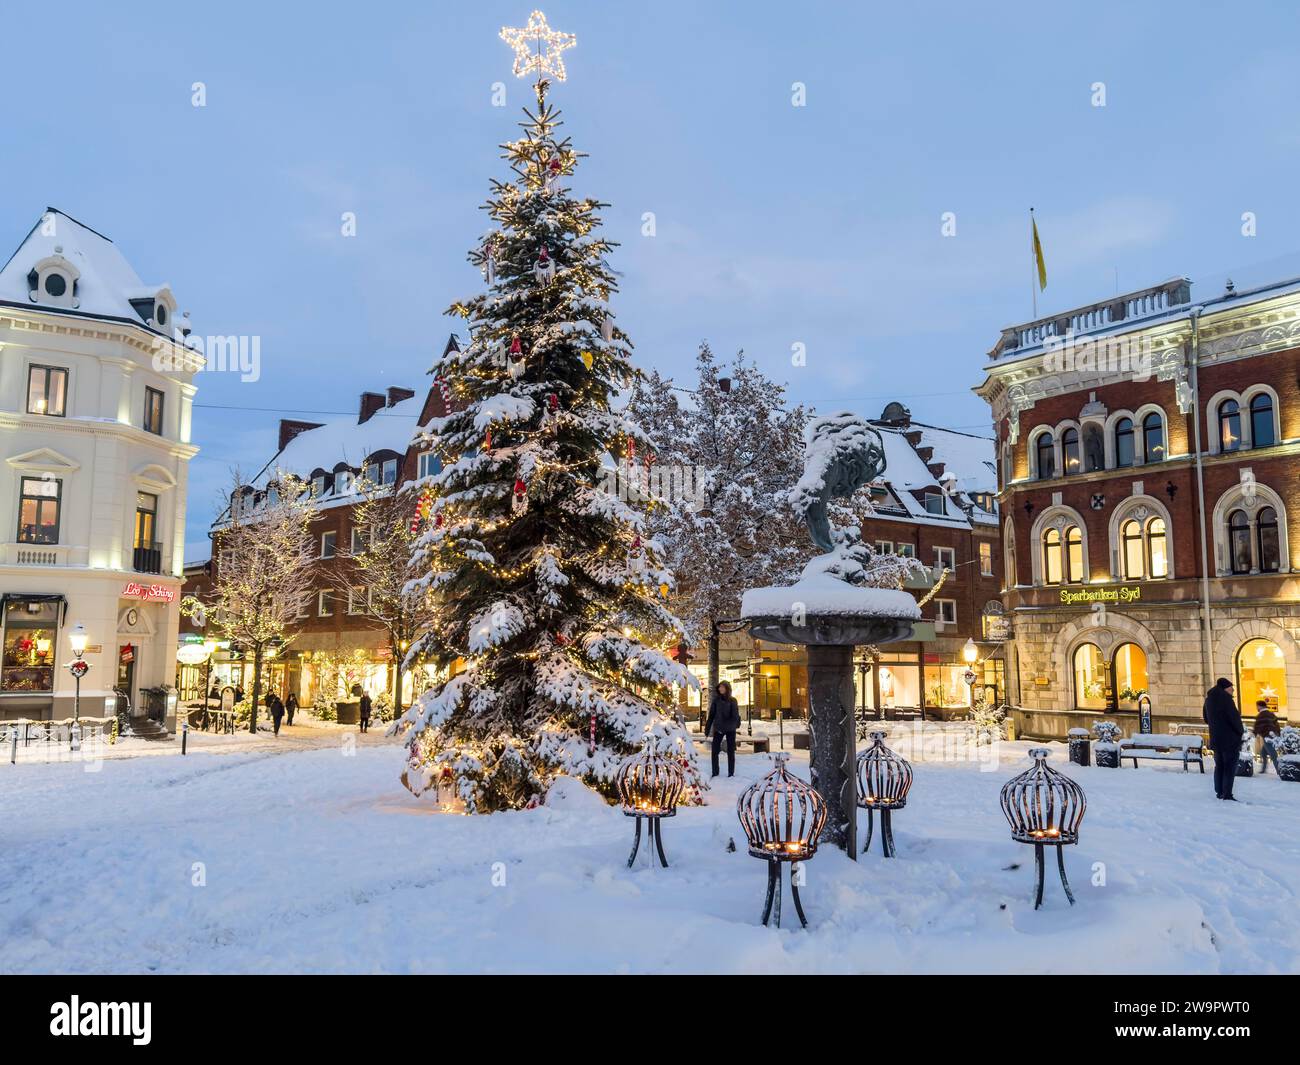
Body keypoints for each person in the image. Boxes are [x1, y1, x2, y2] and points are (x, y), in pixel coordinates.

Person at [1203, 677, 1245, 800]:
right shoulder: (1226, 700)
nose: (1233, 691)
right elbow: (1235, 719)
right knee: (1229, 767)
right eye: (1231, 688)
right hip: (1230, 740)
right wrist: (1240, 732)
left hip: (1216, 739)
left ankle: (1219, 791)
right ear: (1225, 688)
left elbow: (1206, 718)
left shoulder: (1209, 700)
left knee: (1219, 765)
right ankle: (1227, 793)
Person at [704, 680, 741, 778]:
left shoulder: (733, 700)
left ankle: (731, 773)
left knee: (730, 751)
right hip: (719, 729)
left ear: (727, 689)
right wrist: (707, 729)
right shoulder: (716, 700)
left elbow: (735, 716)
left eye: (723, 687)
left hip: (730, 729)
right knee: (714, 751)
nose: (720, 689)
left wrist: (732, 725)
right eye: (719, 687)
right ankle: (715, 772)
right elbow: (711, 715)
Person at [1254, 699, 1281, 774]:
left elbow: (1257, 726)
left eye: (1257, 706)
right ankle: (1263, 769)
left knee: (1273, 754)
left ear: (1260, 706)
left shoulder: (1261, 715)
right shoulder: (1270, 713)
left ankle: (1279, 771)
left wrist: (1254, 734)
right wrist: (1277, 733)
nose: (1257, 708)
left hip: (1267, 737)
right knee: (1263, 752)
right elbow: (1276, 724)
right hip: (1272, 735)